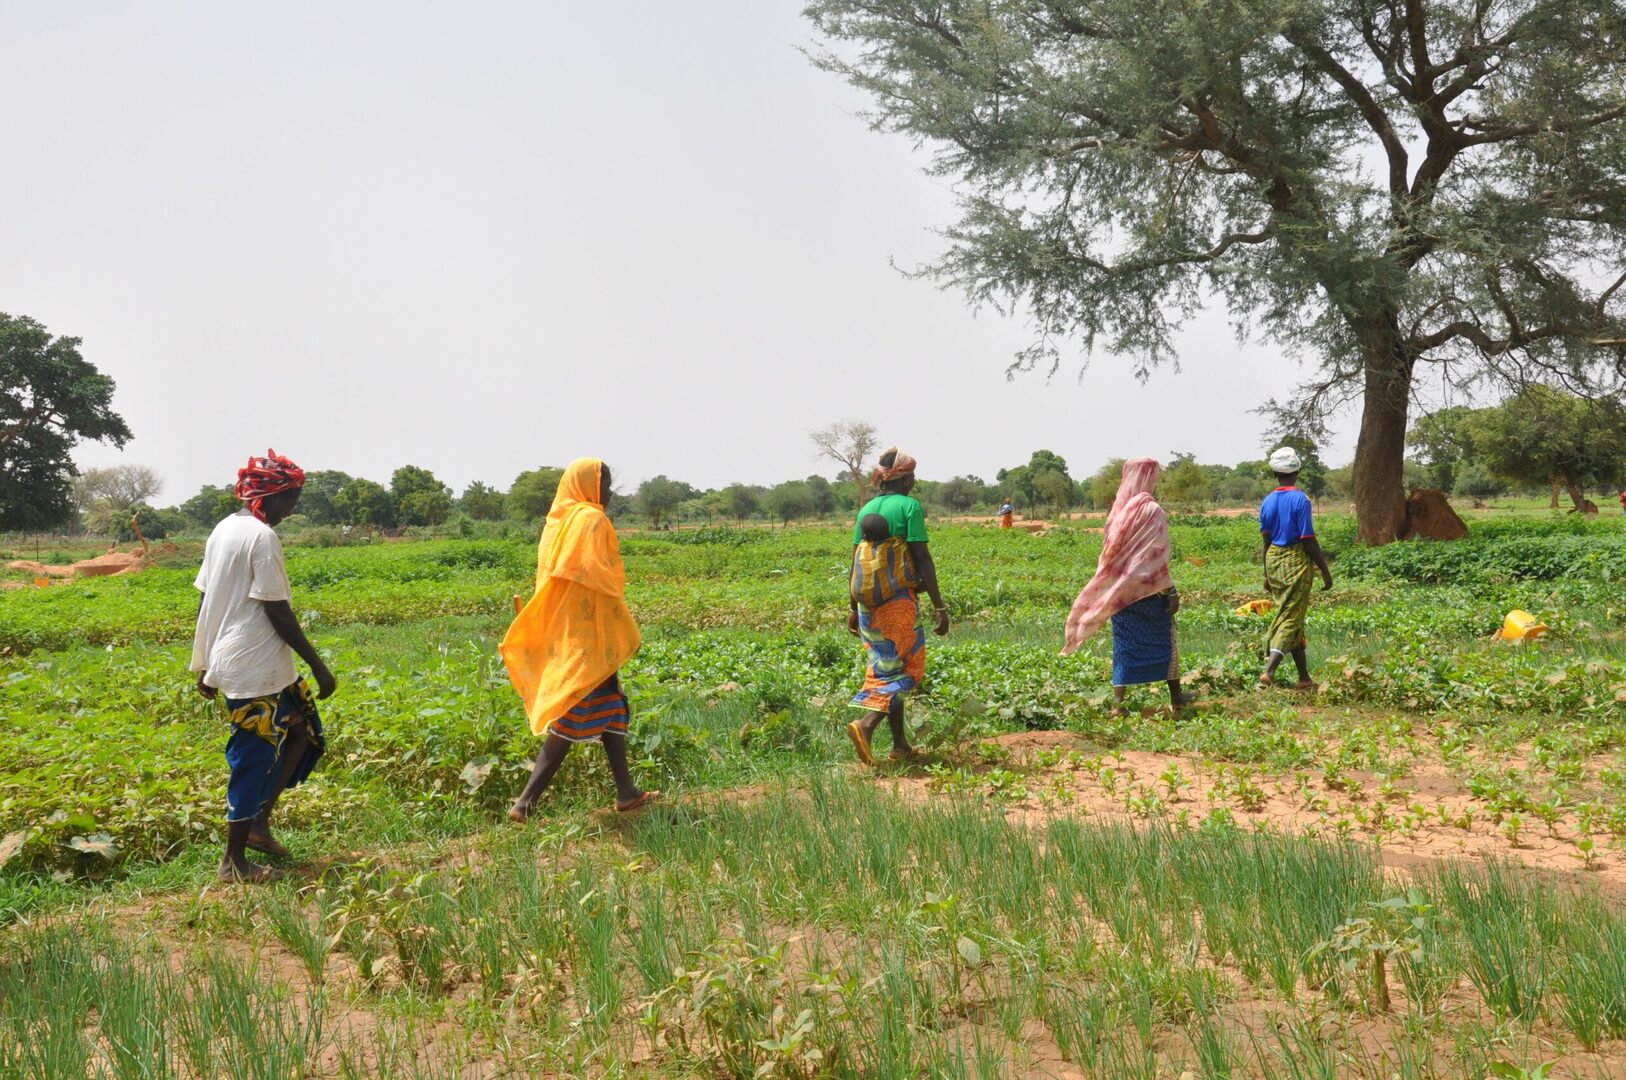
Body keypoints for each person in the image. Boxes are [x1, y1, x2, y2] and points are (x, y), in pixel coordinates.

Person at [191, 450, 336, 884]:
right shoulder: (260, 537)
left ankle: (258, 824)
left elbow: (204, 600)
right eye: (290, 498)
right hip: (251, 665)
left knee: (302, 732)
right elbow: (278, 612)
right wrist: (319, 666)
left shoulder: (224, 529)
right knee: (251, 757)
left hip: (260, 663)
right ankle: (232, 863)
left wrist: (202, 660)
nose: (293, 507)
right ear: (269, 497)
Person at [500, 458, 656, 820]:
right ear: (588, 484)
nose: (609, 492)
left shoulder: (558, 521)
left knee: (612, 707)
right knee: (576, 711)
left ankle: (626, 791)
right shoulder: (589, 518)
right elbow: (592, 576)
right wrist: (621, 624)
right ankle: (525, 803)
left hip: (567, 630)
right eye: (605, 483)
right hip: (587, 633)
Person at [1060, 458, 1193, 713]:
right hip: (1151, 591)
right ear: (1148, 478)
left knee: (1124, 645)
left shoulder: (1117, 512)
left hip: (1120, 592)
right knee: (1166, 642)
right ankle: (1176, 698)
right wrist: (1171, 590)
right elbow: (1156, 557)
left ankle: (1118, 704)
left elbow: (1109, 556)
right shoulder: (1152, 510)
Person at [845, 449, 950, 765]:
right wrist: (939, 607)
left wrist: (852, 608)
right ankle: (866, 726)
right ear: (904, 478)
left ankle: (900, 745)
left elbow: (854, 561)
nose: (914, 481)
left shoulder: (868, 509)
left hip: (867, 607)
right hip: (898, 605)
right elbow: (922, 559)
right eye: (912, 476)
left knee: (887, 666)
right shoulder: (909, 507)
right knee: (909, 670)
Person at [1257, 446, 1334, 689]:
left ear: (1275, 474)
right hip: (1294, 561)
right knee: (1290, 617)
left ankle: (1304, 678)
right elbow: (1307, 538)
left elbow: (1266, 542)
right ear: (1297, 472)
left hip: (1274, 561)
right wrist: (1324, 568)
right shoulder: (1300, 499)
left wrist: (1266, 574)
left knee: (1292, 614)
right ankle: (1268, 672)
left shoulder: (1267, 501)